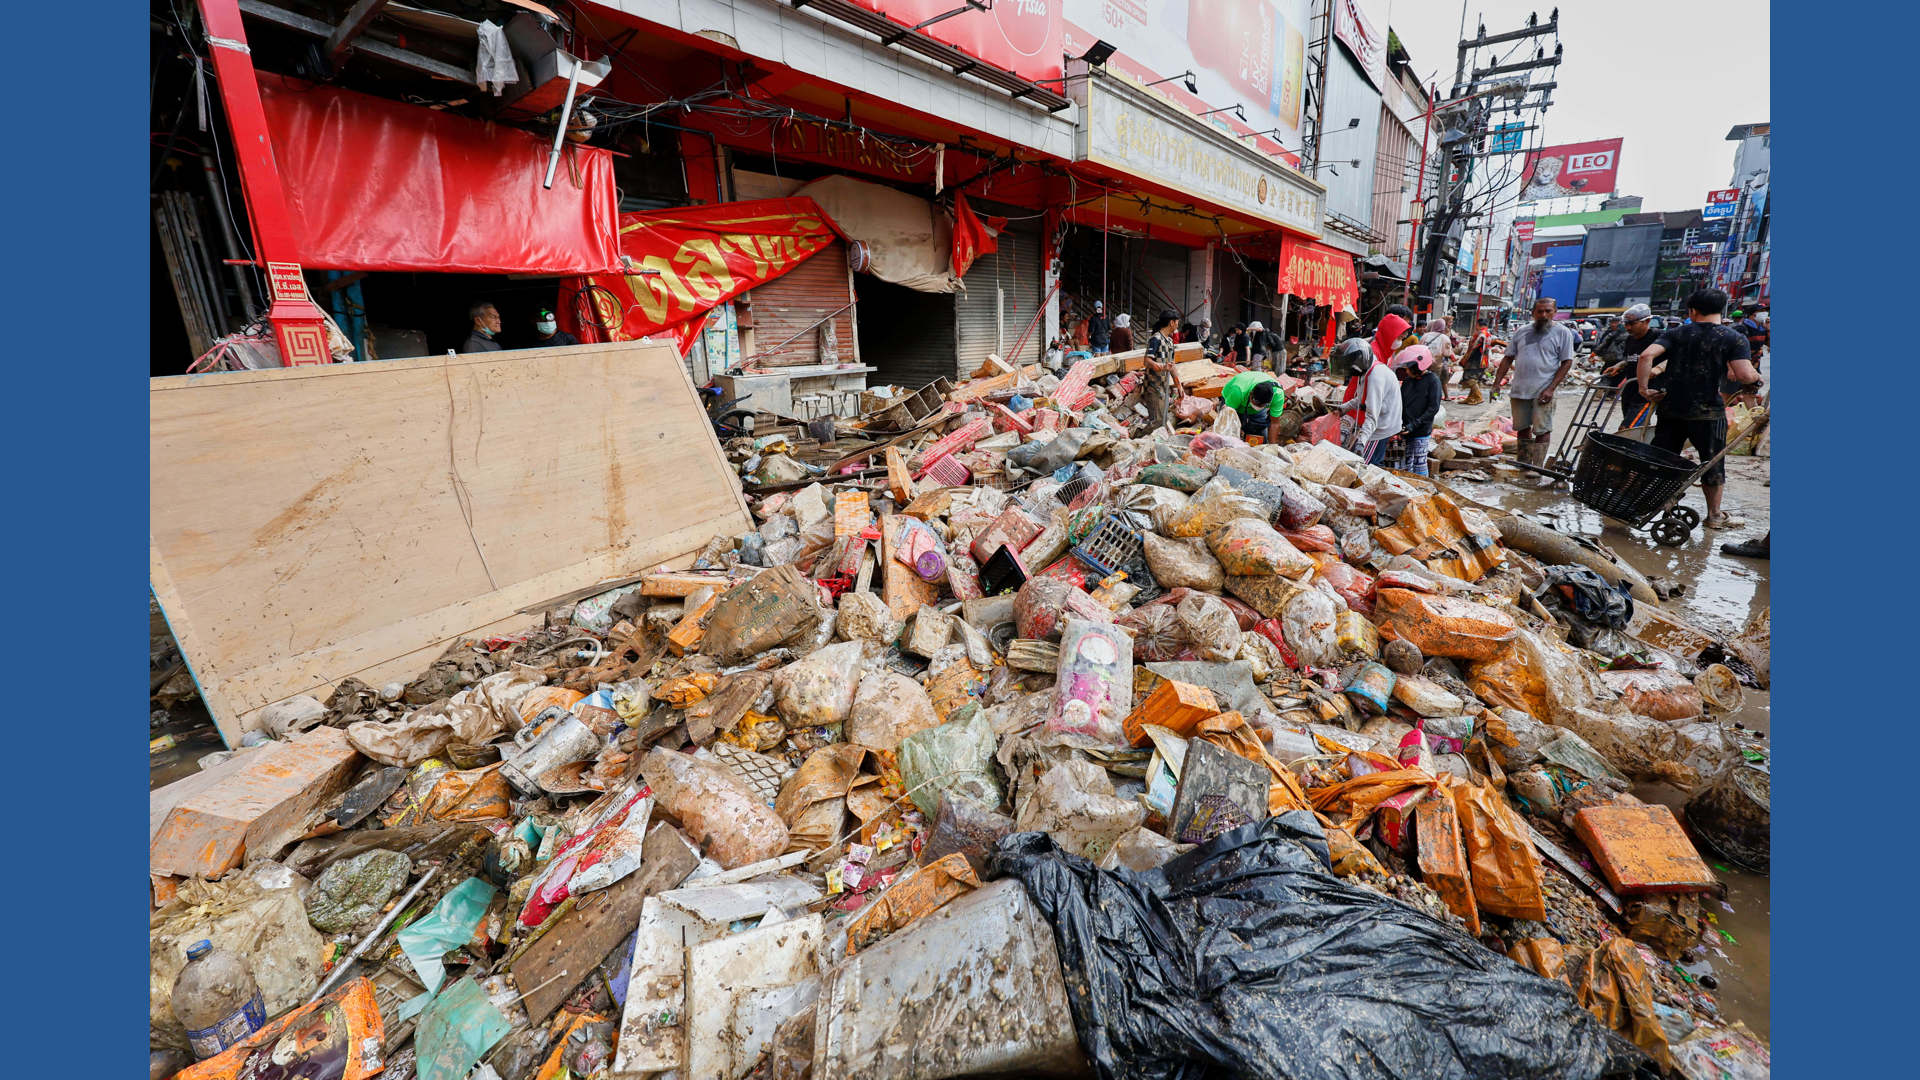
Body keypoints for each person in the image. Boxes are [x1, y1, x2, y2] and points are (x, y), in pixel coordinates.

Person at [1635, 287, 1763, 530]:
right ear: (1722, 310)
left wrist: (1644, 389)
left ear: (1692, 310)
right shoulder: (1733, 337)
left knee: (1665, 458)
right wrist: (1756, 378)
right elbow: (1745, 375)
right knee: (1712, 461)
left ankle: (1667, 506)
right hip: (1708, 413)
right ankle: (1714, 515)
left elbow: (1645, 357)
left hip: (1671, 409)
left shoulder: (1677, 333)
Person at [1491, 297, 1578, 474]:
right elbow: (1508, 357)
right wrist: (1496, 384)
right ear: (1533, 313)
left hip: (1543, 390)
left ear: (1555, 312)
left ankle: (1537, 467)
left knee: (1542, 429)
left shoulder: (1562, 333)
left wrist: (1551, 388)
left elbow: (1567, 362)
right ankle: (1524, 464)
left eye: (1548, 311)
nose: (1544, 315)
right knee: (1522, 428)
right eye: (1540, 311)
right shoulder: (1522, 331)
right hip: (1520, 390)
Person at [1335, 311, 1407, 464]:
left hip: (1382, 422)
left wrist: (1361, 441)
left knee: (1365, 464)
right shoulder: (1367, 364)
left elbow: (1372, 414)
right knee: (1361, 457)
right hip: (1374, 415)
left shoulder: (1374, 374)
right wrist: (1343, 409)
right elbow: (1360, 396)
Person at [1598, 303, 1662, 433]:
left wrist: (1658, 369)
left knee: (1627, 429)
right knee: (1638, 429)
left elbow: (1674, 357)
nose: (1627, 327)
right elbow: (1630, 358)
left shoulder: (1658, 337)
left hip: (1647, 393)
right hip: (1630, 389)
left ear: (1647, 321)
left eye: (1632, 324)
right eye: (1625, 323)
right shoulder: (1630, 340)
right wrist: (1618, 365)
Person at [1394, 345, 1443, 476]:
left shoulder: (1433, 381)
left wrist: (1414, 424)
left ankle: (1422, 492)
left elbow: (1433, 408)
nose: (1407, 371)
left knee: (1419, 464)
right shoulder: (1408, 381)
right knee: (1406, 465)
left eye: (1409, 368)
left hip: (1421, 430)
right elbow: (1401, 401)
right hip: (1406, 429)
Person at [1141, 308, 1182, 431]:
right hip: (1153, 386)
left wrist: (1179, 385)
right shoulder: (1156, 339)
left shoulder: (1169, 341)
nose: (1178, 324)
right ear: (1172, 323)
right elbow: (1147, 361)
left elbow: (1172, 365)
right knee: (1157, 421)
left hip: (1163, 386)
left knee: (1163, 419)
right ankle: (1137, 439)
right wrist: (1162, 367)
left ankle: (1153, 444)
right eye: (1177, 322)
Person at [1221, 370, 1286, 439]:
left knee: (1261, 435)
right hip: (1234, 403)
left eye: (1262, 405)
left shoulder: (1278, 395)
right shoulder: (1238, 390)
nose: (1257, 407)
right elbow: (1227, 417)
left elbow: (1274, 423)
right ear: (1251, 394)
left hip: (1256, 411)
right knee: (1231, 435)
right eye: (1256, 403)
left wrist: (1272, 447)